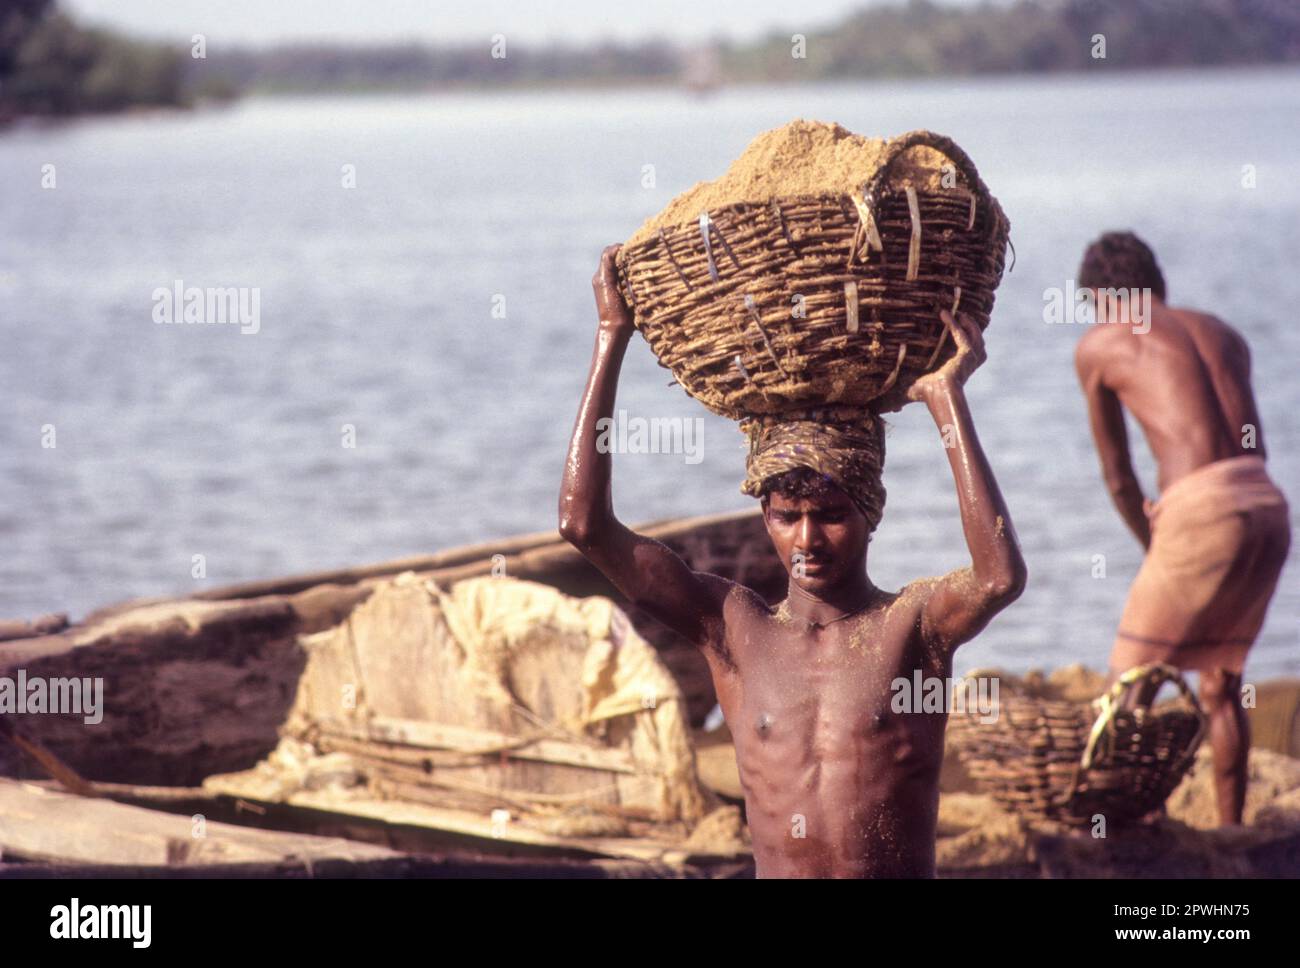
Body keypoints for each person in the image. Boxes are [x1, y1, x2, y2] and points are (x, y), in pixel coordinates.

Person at [559, 245, 1026, 877]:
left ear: (871, 512)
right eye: (787, 516)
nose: (807, 539)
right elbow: (583, 525)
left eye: (832, 514)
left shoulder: (912, 629)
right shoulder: (732, 629)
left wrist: (946, 400)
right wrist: (612, 335)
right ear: (765, 516)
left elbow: (998, 576)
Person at [1073, 230, 1291, 826]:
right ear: (1156, 284)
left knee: (1128, 686)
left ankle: (1111, 834)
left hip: (1201, 513)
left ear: (1100, 299)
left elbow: (1119, 480)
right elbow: (1249, 444)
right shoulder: (1223, 333)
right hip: (1268, 505)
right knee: (1222, 683)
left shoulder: (1101, 344)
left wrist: (1155, 548)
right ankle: (1230, 830)